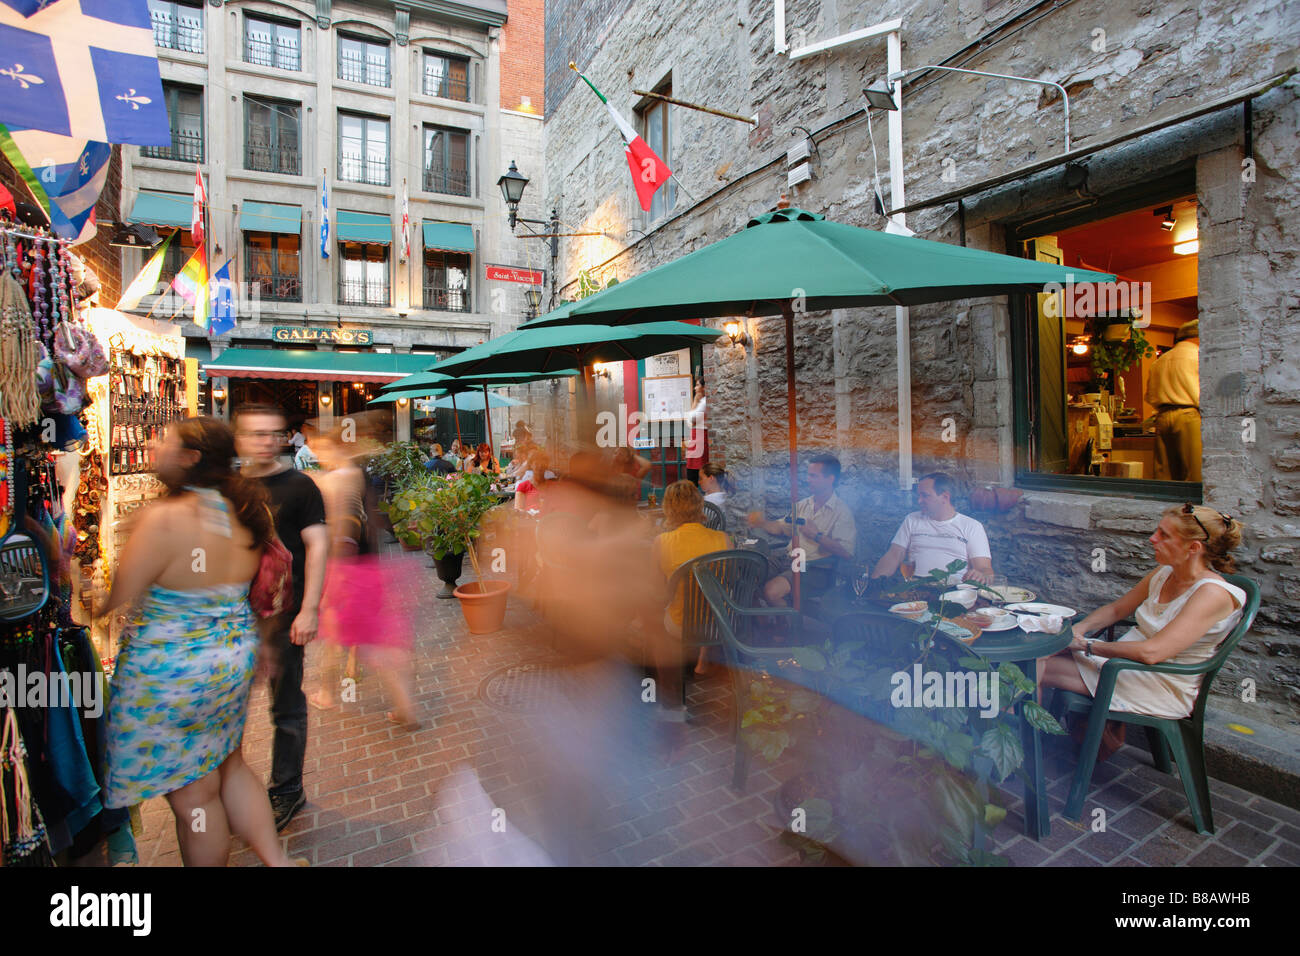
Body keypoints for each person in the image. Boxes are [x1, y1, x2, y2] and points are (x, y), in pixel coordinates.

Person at [99, 417, 305, 866]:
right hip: (231, 657)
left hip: (175, 672)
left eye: (165, 443)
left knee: (196, 800)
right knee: (230, 764)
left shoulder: (164, 519)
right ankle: (279, 862)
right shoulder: (248, 511)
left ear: (191, 458)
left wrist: (70, 576)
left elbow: (113, 598)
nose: (154, 447)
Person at [1040, 504, 1245, 723]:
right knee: (1040, 653)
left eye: (1164, 535)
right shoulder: (1165, 572)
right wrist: (1076, 631)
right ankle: (1041, 742)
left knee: (1030, 666)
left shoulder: (1212, 594)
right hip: (1127, 667)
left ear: (1193, 548)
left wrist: (1085, 645)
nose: (1152, 539)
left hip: (1161, 684)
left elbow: (1152, 653)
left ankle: (1031, 746)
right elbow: (1116, 609)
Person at [233, 403, 328, 831]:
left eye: (274, 433)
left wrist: (309, 609)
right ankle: (229, 792)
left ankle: (287, 789)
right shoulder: (228, 490)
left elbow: (318, 547)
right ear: (239, 439)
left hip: (284, 614)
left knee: (285, 706)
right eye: (256, 434)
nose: (267, 441)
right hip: (231, 618)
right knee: (228, 707)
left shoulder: (301, 486)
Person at [310, 427, 420, 730]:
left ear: (336, 449)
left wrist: (335, 578)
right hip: (368, 566)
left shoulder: (337, 479)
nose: (318, 456)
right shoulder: (355, 475)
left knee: (342, 635)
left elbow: (343, 529)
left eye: (321, 450)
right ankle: (401, 705)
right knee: (370, 637)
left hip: (345, 568)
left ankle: (329, 693)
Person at [749, 454, 856, 607]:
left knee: (772, 591)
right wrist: (761, 523)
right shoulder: (802, 505)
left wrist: (816, 535)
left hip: (814, 569)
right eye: (808, 475)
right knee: (747, 576)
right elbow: (781, 527)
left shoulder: (842, 512)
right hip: (788, 560)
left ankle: (789, 627)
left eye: (813, 476)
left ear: (830, 479)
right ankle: (766, 623)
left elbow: (846, 552)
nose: (808, 479)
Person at [653, 481, 729, 679]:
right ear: (699, 504)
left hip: (680, 626)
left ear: (668, 508)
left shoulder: (661, 542)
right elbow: (730, 581)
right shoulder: (723, 538)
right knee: (712, 596)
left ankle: (670, 663)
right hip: (718, 625)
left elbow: (657, 588)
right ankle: (704, 660)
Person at [872, 472, 994, 586]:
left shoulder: (971, 526)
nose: (919, 501)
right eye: (918, 495)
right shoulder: (912, 519)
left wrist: (980, 575)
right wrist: (874, 583)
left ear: (945, 497)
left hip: (953, 591)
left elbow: (985, 570)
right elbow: (893, 555)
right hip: (916, 589)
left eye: (925, 496)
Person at [1146, 320, 1201, 482]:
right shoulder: (1197, 356)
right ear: (1197, 336)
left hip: (1162, 417)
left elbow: (1149, 396)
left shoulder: (1160, 361)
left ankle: (1168, 507)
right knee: (1194, 473)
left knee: (1165, 475)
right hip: (1188, 416)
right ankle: (1193, 508)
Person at [685, 381, 708, 484]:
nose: (695, 388)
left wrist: (695, 401)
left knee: (694, 471)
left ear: (704, 387)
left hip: (700, 437)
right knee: (693, 469)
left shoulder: (705, 401)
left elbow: (692, 418)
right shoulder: (702, 401)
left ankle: (693, 496)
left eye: (697, 385)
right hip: (697, 436)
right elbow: (690, 422)